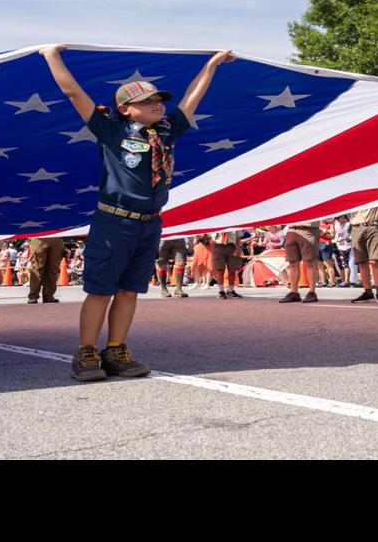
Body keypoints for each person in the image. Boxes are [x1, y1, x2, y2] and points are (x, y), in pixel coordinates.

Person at [40, 44, 234, 381]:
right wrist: (51, 55)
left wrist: (213, 65)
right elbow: (73, 93)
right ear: (125, 109)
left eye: (157, 99)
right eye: (145, 101)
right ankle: (86, 353)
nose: (157, 103)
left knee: (130, 290)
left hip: (149, 223)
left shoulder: (167, 130)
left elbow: (191, 98)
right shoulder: (111, 131)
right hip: (114, 220)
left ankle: (115, 349)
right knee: (101, 289)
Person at [27, 236, 66, 303]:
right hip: (39, 235)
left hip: (56, 235)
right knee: (37, 269)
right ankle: (33, 296)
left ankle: (49, 295)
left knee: (53, 269)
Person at [212, 230, 245, 298]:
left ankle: (231, 291)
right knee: (220, 269)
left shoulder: (233, 221)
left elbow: (238, 236)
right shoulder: (213, 221)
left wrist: (238, 247)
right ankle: (221, 291)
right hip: (218, 246)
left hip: (232, 246)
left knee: (232, 269)